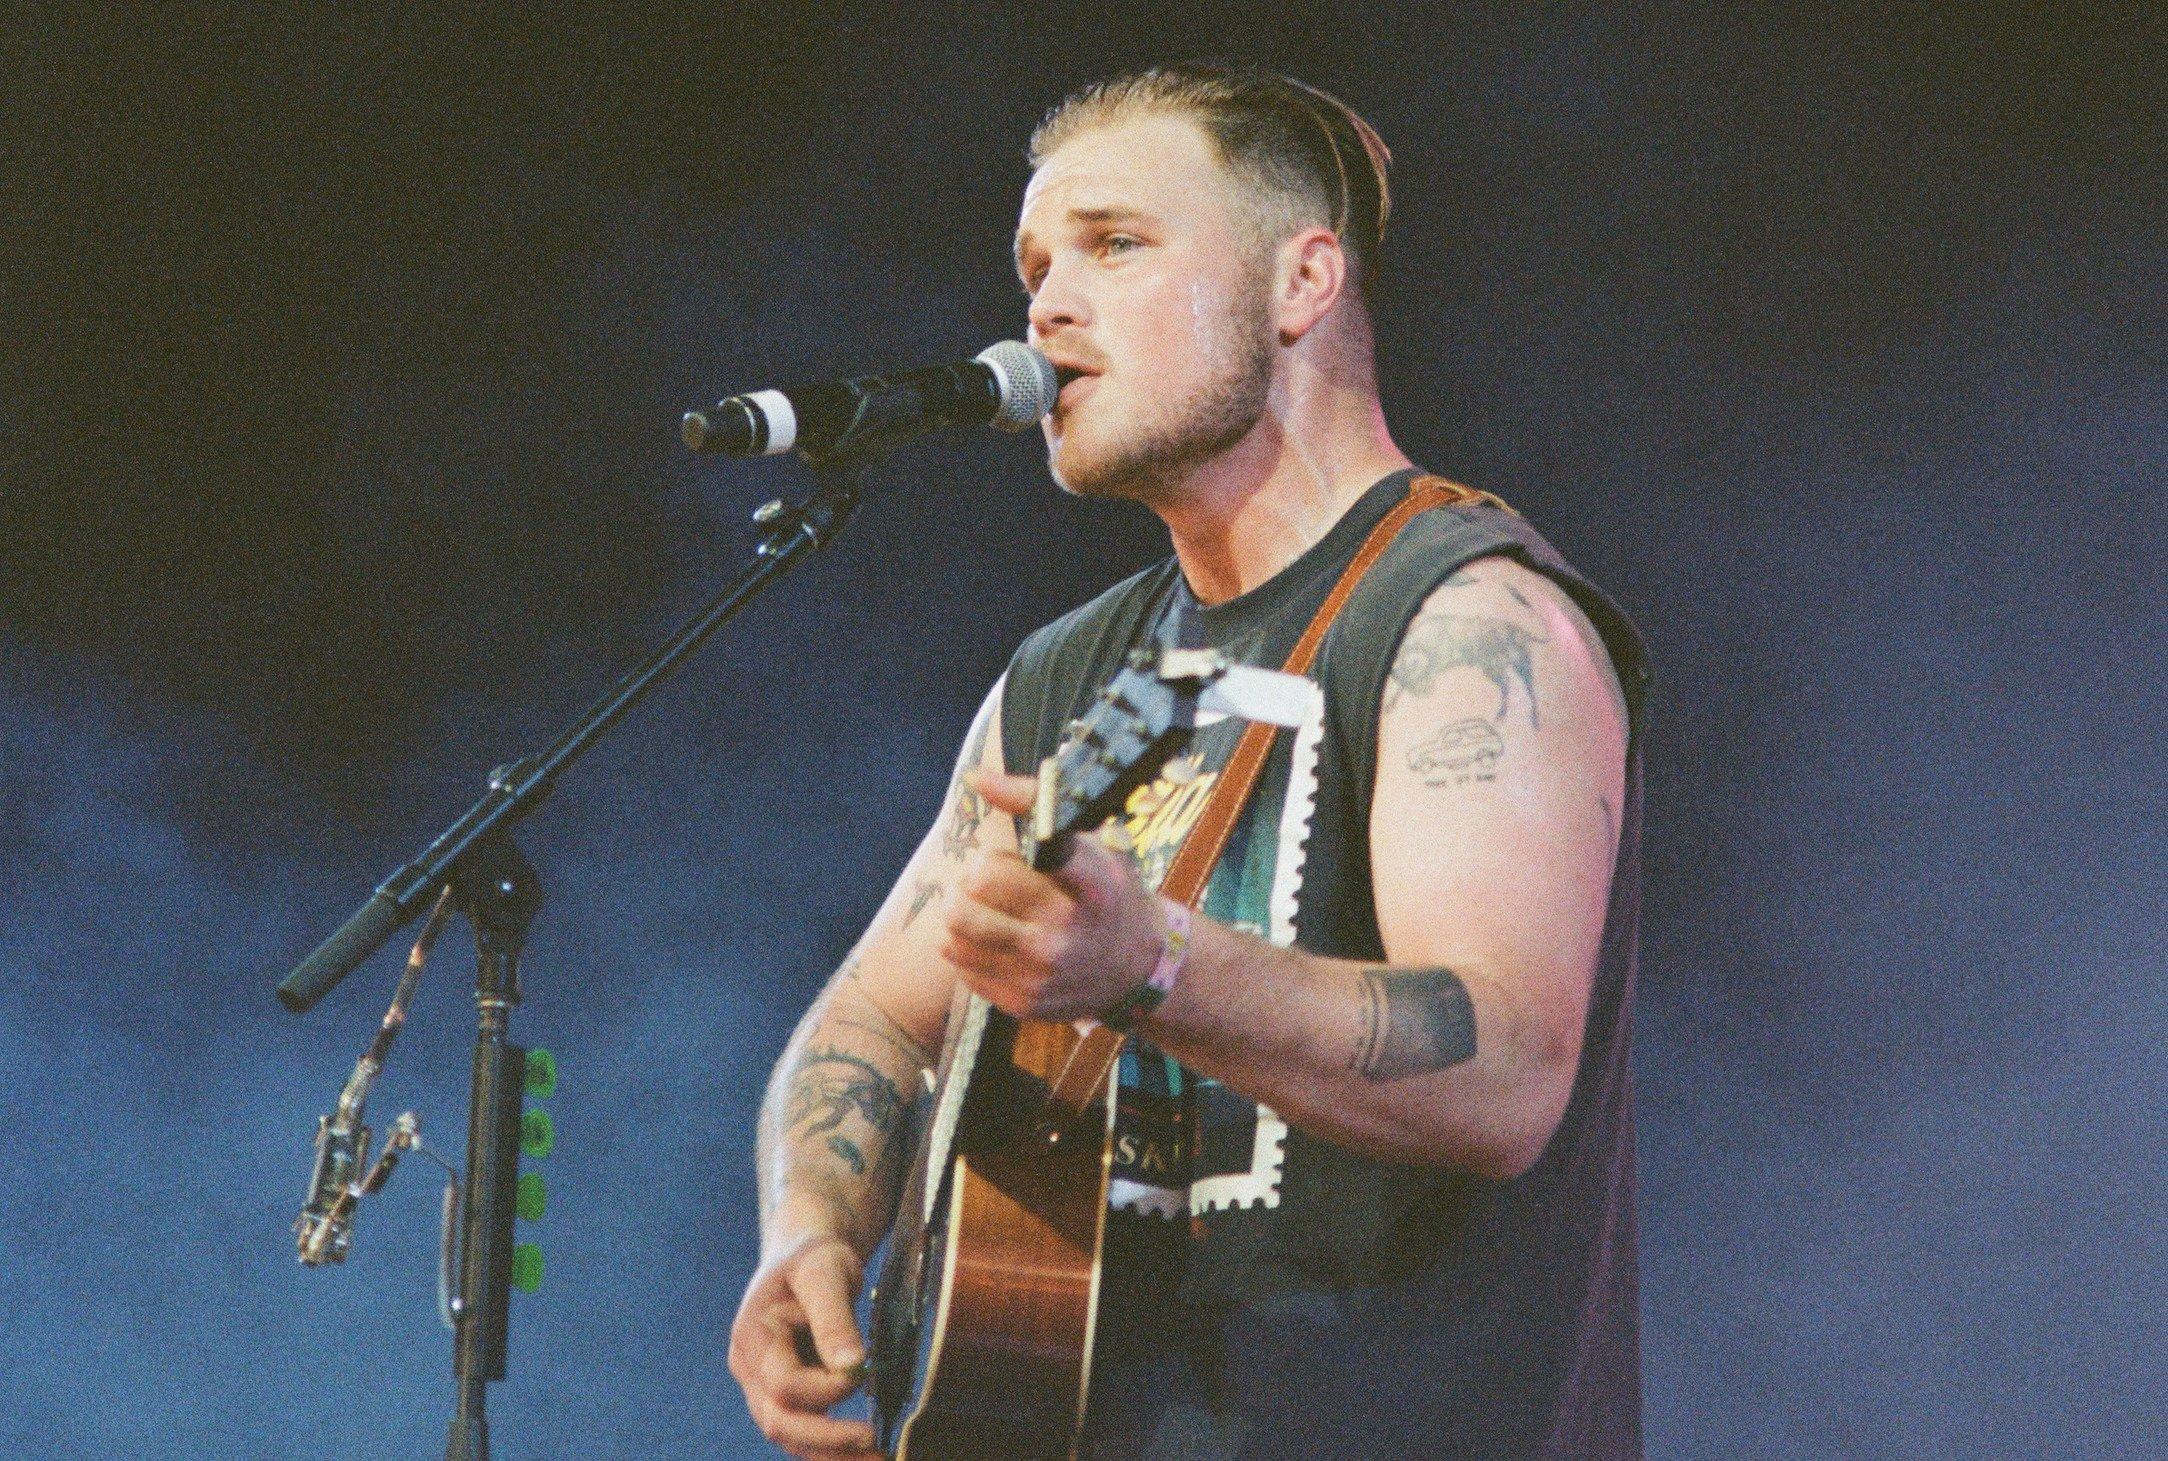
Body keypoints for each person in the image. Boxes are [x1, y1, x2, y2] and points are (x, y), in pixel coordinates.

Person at [727, 63, 1650, 1459]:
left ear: (1302, 282)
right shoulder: (1064, 675)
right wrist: (812, 1228)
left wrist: (1149, 962)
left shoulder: (1466, 620)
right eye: (1035, 267)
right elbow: (872, 1020)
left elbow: (1509, 1068)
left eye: (1114, 244)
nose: (1047, 306)